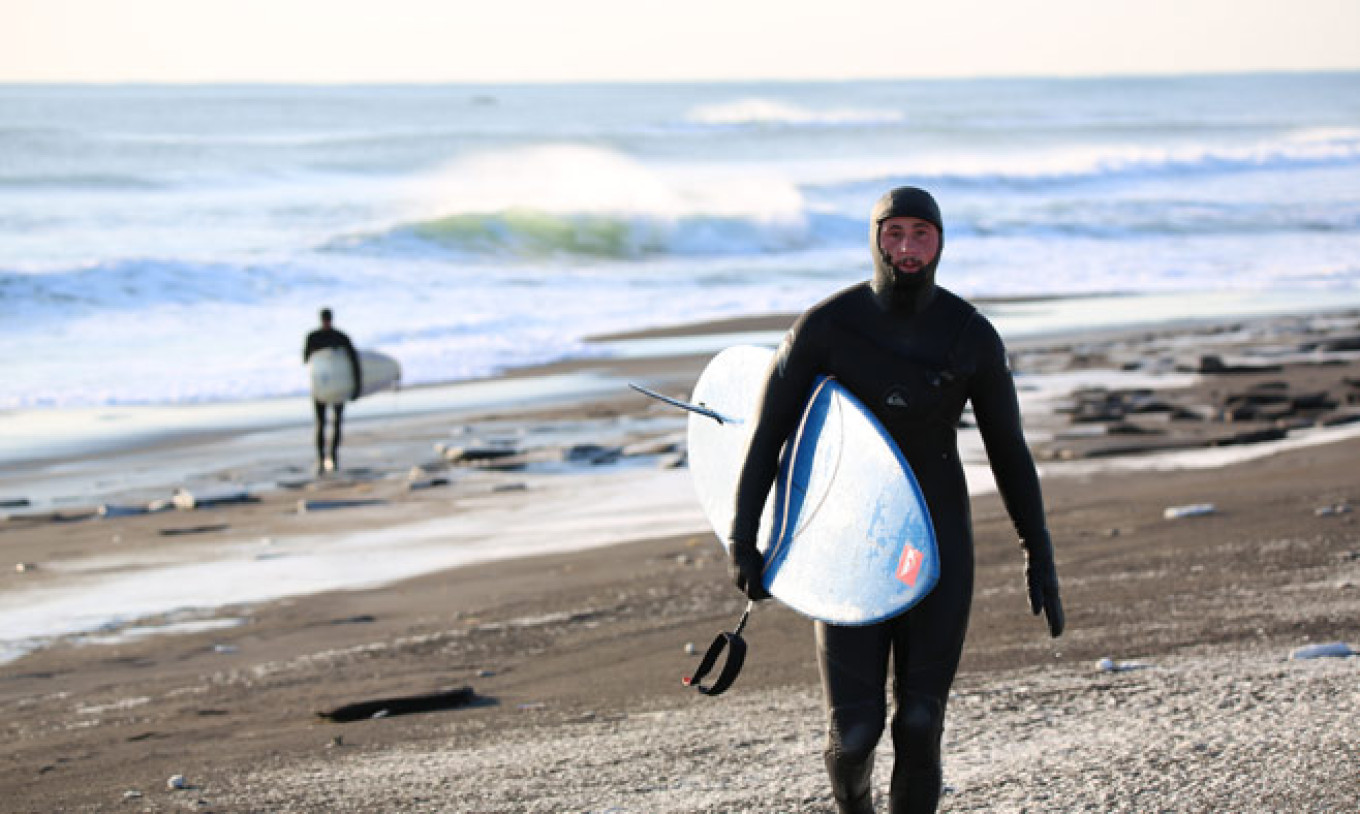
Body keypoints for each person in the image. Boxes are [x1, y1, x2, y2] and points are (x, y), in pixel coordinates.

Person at [728, 186, 1064, 814]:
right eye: (894, 233)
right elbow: (767, 437)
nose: (907, 247)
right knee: (853, 735)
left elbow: (1009, 451)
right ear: (875, 239)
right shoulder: (825, 328)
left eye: (921, 234)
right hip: (847, 544)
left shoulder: (970, 335)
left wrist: (1037, 549)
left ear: (940, 242)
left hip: (938, 541)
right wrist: (743, 538)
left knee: (919, 723)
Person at [303, 307, 361, 474]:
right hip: (321, 388)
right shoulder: (313, 337)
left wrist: (356, 387)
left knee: (337, 423)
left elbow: (354, 362)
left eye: (328, 320)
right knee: (321, 423)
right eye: (325, 320)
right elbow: (306, 360)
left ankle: (333, 457)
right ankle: (321, 458)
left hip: (338, 388)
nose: (326, 322)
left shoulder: (340, 337)